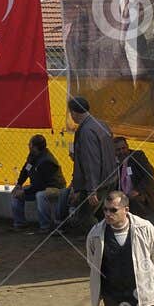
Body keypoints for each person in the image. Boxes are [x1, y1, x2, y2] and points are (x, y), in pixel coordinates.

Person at [38, 94, 119, 234]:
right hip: (109, 178)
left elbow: (91, 161)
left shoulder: (86, 131)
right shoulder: (101, 124)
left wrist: (92, 189)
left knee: (84, 218)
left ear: (74, 112)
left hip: (97, 183)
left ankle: (98, 244)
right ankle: (108, 239)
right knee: (102, 214)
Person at [11, 134, 65, 231]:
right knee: (16, 193)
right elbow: (26, 169)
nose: (28, 146)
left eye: (29, 144)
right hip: (38, 186)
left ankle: (46, 226)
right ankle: (19, 223)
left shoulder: (46, 161)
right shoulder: (33, 156)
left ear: (34, 147)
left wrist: (25, 192)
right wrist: (19, 184)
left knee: (40, 195)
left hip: (54, 188)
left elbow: (41, 185)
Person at [114, 134, 154, 217]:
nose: (122, 151)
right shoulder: (114, 162)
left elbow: (150, 174)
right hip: (123, 194)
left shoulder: (137, 156)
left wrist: (137, 190)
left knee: (134, 202)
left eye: (123, 148)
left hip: (143, 192)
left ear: (127, 146)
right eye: (118, 150)